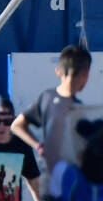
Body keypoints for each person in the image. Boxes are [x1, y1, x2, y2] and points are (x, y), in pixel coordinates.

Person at [10, 44, 91, 188]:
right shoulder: (75, 107)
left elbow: (16, 125)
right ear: (85, 74)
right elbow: (17, 126)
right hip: (60, 181)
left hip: (62, 180)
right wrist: (38, 145)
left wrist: (38, 145)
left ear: (58, 71)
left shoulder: (47, 97)